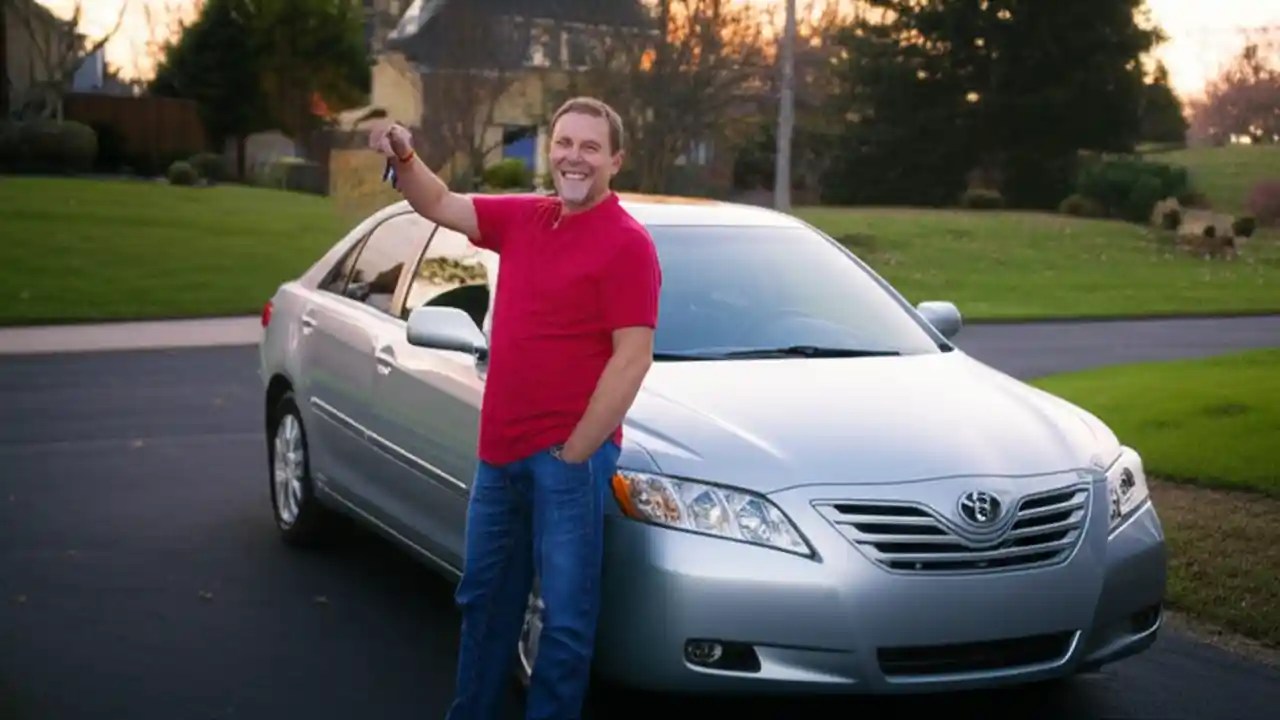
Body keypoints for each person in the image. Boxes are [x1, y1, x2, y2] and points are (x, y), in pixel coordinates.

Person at [368, 97, 662, 720]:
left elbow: (632, 358)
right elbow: (440, 203)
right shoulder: (527, 218)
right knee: (484, 602)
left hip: (567, 463)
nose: (573, 157)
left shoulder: (627, 245)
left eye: (589, 146)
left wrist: (577, 450)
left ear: (615, 160)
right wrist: (404, 154)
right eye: (563, 143)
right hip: (499, 459)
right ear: (549, 149)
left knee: (564, 620)